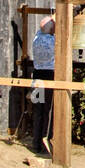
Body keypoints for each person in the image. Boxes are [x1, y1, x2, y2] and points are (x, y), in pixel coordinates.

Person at [31, 15, 55, 156]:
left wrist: (50, 20)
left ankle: (36, 143)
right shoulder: (54, 40)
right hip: (49, 76)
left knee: (37, 109)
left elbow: (42, 28)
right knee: (48, 110)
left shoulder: (36, 38)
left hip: (36, 76)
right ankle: (46, 142)